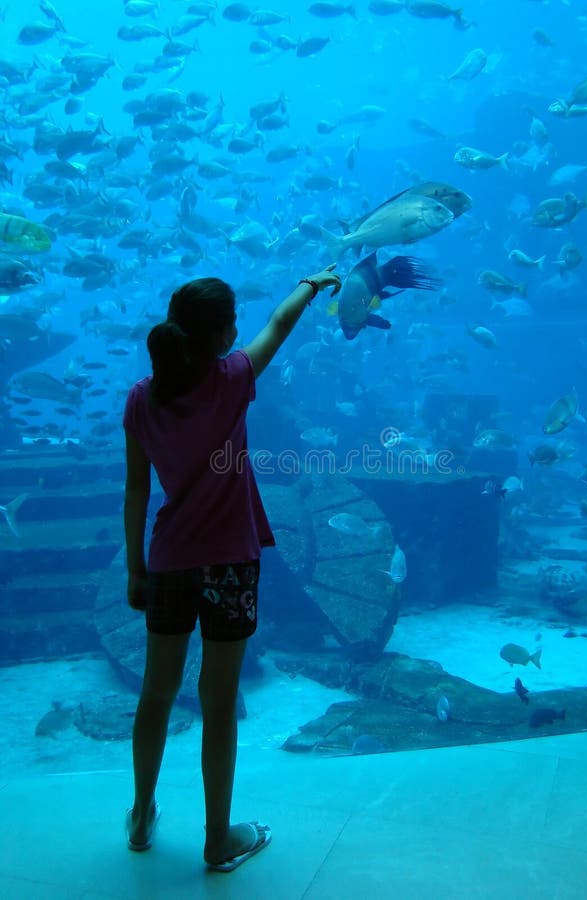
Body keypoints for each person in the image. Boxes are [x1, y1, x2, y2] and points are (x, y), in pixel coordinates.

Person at [123, 264, 341, 872]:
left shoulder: (142, 398)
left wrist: (136, 570)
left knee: (156, 693)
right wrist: (312, 282)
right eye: (232, 324)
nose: (240, 332)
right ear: (220, 336)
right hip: (230, 564)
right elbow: (278, 324)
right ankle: (217, 841)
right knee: (218, 700)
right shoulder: (232, 379)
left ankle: (141, 816)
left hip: (167, 561)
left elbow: (137, 492)